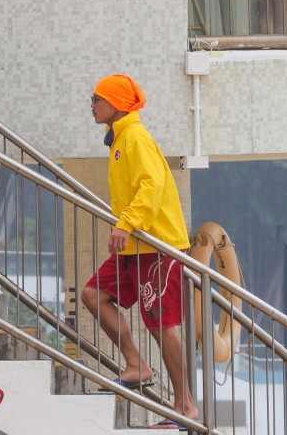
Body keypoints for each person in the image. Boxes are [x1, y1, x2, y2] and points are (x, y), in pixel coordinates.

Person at [81, 74, 198, 429]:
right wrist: (127, 228)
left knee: (160, 325)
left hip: (157, 246)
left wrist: (125, 224)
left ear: (116, 103)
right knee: (93, 294)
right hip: (135, 244)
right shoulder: (120, 138)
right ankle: (137, 366)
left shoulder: (135, 138)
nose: (92, 104)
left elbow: (152, 185)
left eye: (97, 99)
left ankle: (185, 407)